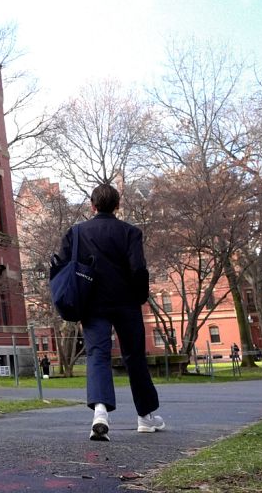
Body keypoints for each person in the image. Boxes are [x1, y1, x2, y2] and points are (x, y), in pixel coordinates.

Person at [57, 182, 164, 441]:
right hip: (126, 302)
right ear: (118, 206)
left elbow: (61, 266)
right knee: (134, 357)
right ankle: (145, 417)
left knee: (97, 355)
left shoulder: (77, 233)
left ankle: (100, 413)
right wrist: (139, 297)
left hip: (92, 303)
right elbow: (138, 269)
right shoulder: (130, 232)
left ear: (92, 206)